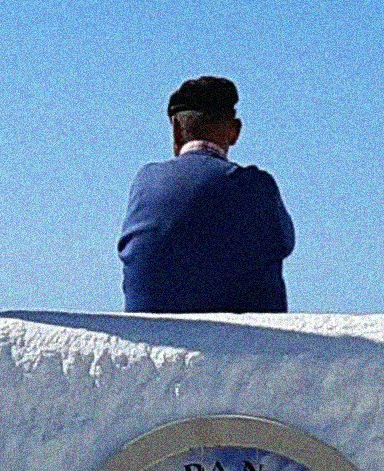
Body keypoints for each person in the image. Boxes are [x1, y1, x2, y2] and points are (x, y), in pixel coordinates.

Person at [119, 75, 295, 313]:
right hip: (244, 344)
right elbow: (283, 243)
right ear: (234, 132)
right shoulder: (256, 187)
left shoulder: (146, 181)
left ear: (177, 130)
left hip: (148, 336)